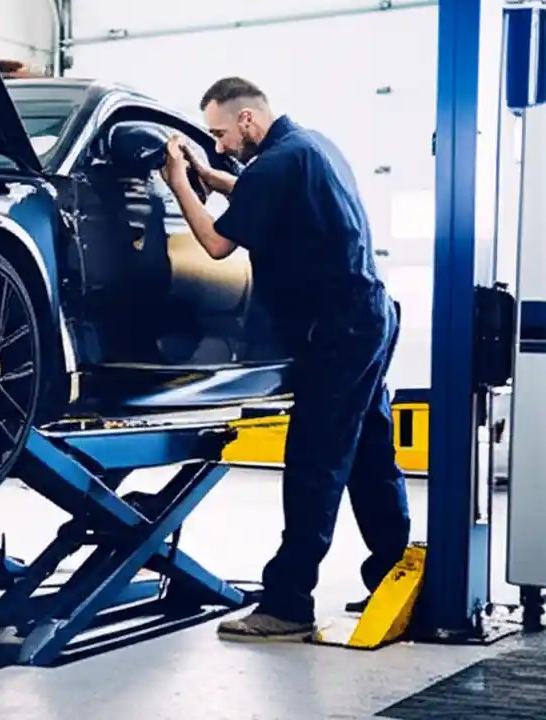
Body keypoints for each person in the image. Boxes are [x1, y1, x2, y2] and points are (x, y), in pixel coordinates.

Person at [159, 77, 411, 642]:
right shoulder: (311, 147)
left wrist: (180, 185)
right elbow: (256, 197)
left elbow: (218, 245)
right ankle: (397, 576)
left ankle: (288, 604)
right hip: (368, 315)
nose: (219, 145)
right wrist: (210, 178)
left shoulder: (275, 165)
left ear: (248, 119)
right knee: (371, 453)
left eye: (221, 133)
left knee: (313, 464)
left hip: (339, 330)